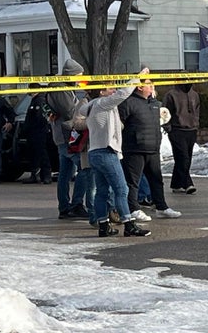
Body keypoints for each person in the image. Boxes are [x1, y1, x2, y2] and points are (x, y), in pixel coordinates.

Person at [84, 68, 152, 238]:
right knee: (122, 189)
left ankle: (103, 225)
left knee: (102, 191)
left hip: (95, 152)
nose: (113, 91)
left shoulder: (93, 106)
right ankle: (129, 225)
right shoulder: (102, 103)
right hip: (107, 152)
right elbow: (123, 94)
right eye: (110, 88)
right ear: (101, 92)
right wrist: (138, 78)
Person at [118, 79, 180, 220]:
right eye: (149, 84)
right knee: (133, 181)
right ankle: (133, 209)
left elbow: (159, 122)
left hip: (153, 148)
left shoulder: (155, 104)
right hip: (134, 148)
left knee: (156, 179)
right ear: (139, 87)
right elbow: (119, 124)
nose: (152, 87)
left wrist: (166, 123)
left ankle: (161, 207)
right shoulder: (128, 103)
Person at [48, 59, 91, 218]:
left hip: (64, 135)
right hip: (67, 136)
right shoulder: (61, 90)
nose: (82, 78)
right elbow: (70, 112)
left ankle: (65, 207)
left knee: (65, 173)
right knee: (85, 169)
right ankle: (76, 204)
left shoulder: (65, 88)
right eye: (79, 75)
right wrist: (83, 101)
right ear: (71, 75)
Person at [163, 80, 200, 194]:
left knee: (185, 158)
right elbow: (165, 112)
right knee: (183, 157)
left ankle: (176, 183)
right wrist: (167, 126)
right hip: (177, 130)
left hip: (191, 130)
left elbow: (197, 110)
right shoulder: (171, 95)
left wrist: (196, 123)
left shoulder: (194, 95)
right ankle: (187, 183)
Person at [22, 86, 53, 184]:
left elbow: (42, 117)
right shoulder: (34, 100)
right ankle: (36, 175)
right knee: (34, 154)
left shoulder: (40, 100)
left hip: (39, 132)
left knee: (42, 154)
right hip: (34, 132)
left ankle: (46, 176)